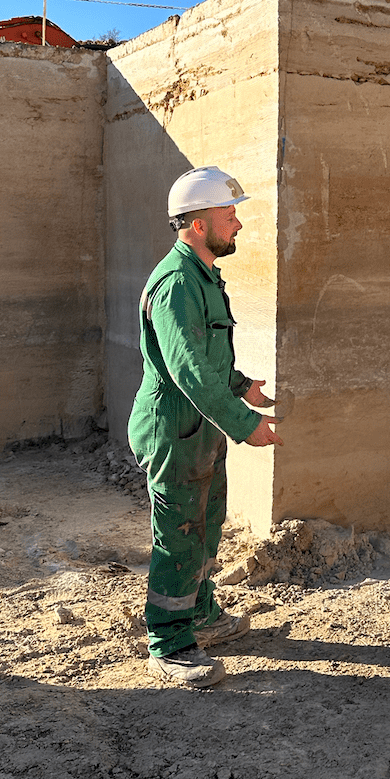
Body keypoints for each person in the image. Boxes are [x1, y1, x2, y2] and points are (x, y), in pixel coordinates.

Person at [128, 165, 283, 688]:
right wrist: (245, 423)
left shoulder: (203, 275)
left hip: (202, 425)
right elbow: (187, 369)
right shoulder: (176, 284)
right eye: (229, 215)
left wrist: (240, 387)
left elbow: (207, 355)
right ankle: (169, 644)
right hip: (174, 429)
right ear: (197, 223)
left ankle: (199, 611)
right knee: (180, 533)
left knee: (208, 521)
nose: (238, 224)